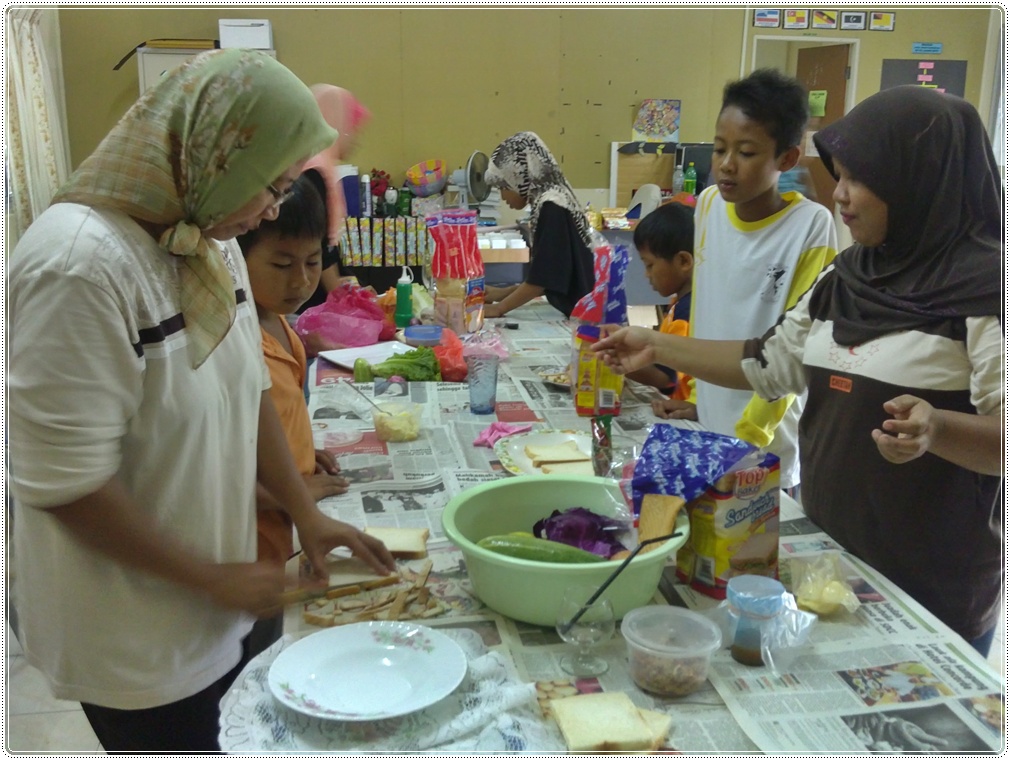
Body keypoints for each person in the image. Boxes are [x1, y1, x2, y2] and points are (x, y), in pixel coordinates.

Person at [7, 49, 395, 752]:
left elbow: (248, 388)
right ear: (217, 155)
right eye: (270, 186)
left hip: (217, 600)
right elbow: (65, 484)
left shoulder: (208, 240)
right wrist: (210, 580)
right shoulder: (77, 266)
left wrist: (305, 514)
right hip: (133, 632)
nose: (272, 209)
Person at [593, 85, 1003, 656]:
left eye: (862, 180)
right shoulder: (847, 278)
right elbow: (767, 363)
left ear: (921, 182)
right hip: (831, 559)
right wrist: (656, 344)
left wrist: (938, 428)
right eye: (841, 176)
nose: (841, 195)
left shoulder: (985, 294)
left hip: (930, 582)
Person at [656, 68, 837, 490]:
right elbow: (708, 312)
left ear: (786, 159)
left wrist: (749, 436)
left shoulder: (811, 226)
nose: (726, 165)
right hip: (711, 426)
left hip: (764, 442)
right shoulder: (708, 205)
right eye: (720, 149)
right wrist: (697, 400)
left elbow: (796, 349)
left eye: (747, 152)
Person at [237, 173, 357, 656]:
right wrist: (291, 493)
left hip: (288, 534)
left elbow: (281, 420)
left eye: (312, 262)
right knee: (259, 647)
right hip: (252, 547)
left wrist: (307, 451)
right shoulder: (240, 344)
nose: (302, 280)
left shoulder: (280, 326)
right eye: (282, 264)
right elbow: (220, 472)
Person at [482, 131, 595, 319]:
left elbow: (543, 279)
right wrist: (502, 293)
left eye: (503, 187)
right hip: (581, 307)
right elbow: (553, 273)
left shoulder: (552, 206)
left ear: (518, 177)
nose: (502, 196)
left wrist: (499, 308)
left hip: (586, 314)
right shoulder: (556, 198)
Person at [297, 84, 373, 318]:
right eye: (351, 129)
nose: (355, 140)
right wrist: (344, 302)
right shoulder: (315, 172)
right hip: (310, 299)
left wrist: (351, 287)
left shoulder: (320, 166)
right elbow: (318, 245)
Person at [623, 202, 695, 398]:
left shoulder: (686, 313)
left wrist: (615, 361)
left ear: (683, 261)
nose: (647, 275)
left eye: (650, 265)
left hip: (682, 407)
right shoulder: (680, 302)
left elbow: (666, 378)